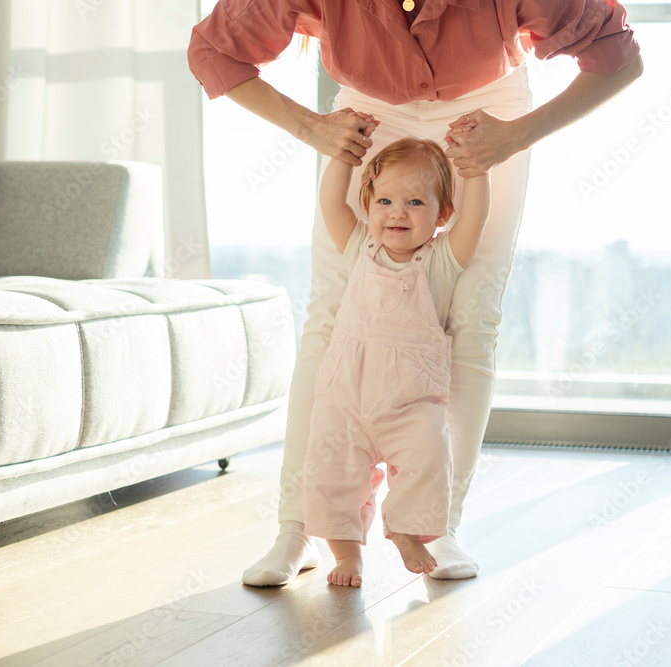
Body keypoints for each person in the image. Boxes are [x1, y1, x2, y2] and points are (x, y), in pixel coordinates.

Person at [188, 0, 643, 586]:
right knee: (332, 315)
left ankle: (440, 527)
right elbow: (213, 50)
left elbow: (619, 60)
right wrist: (312, 128)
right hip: (371, 114)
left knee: (472, 317)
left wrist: (514, 138)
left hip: (488, 115)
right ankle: (296, 528)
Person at [306, 132, 490, 587]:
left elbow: (477, 215)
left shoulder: (440, 261)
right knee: (333, 475)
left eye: (414, 203)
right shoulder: (359, 249)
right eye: (385, 200)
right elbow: (331, 205)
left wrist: (478, 167)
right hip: (344, 396)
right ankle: (346, 555)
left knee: (431, 457)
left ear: (442, 214)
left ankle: (408, 530)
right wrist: (342, 156)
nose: (396, 213)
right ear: (368, 206)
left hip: (410, 402)